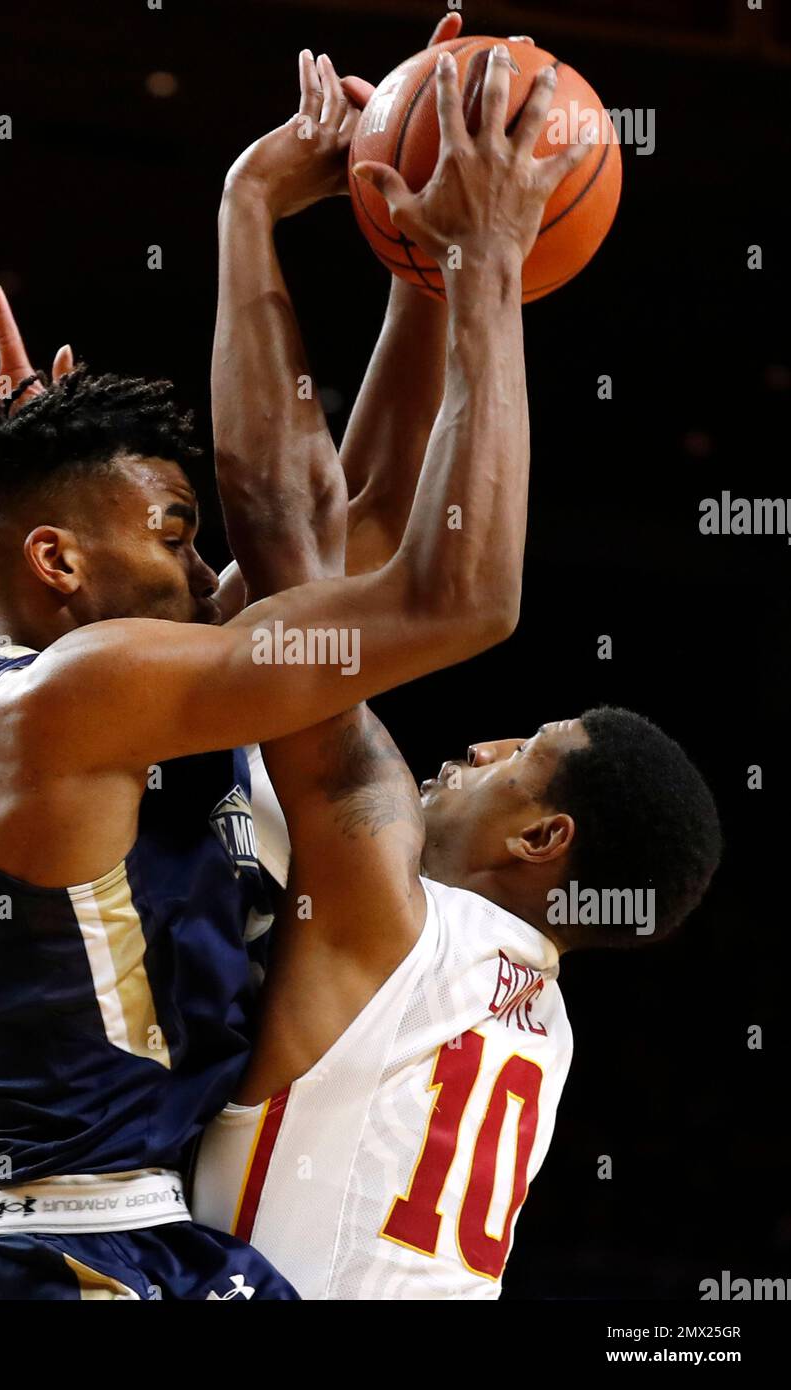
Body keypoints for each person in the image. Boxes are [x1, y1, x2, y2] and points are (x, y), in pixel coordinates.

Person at [0, 27, 582, 1299]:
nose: (205, 574)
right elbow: (451, 591)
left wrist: (415, 273)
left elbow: (344, 521)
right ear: (55, 564)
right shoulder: (65, 703)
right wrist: (476, 261)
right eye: (169, 534)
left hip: (159, 1241)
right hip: (48, 1255)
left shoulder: (114, 685)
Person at [191, 43, 723, 1298]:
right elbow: (343, 541)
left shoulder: (386, 910)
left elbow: (285, 529)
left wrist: (271, 209)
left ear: (543, 838)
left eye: (512, 751)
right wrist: (424, 273)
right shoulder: (535, 1025)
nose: (472, 745)